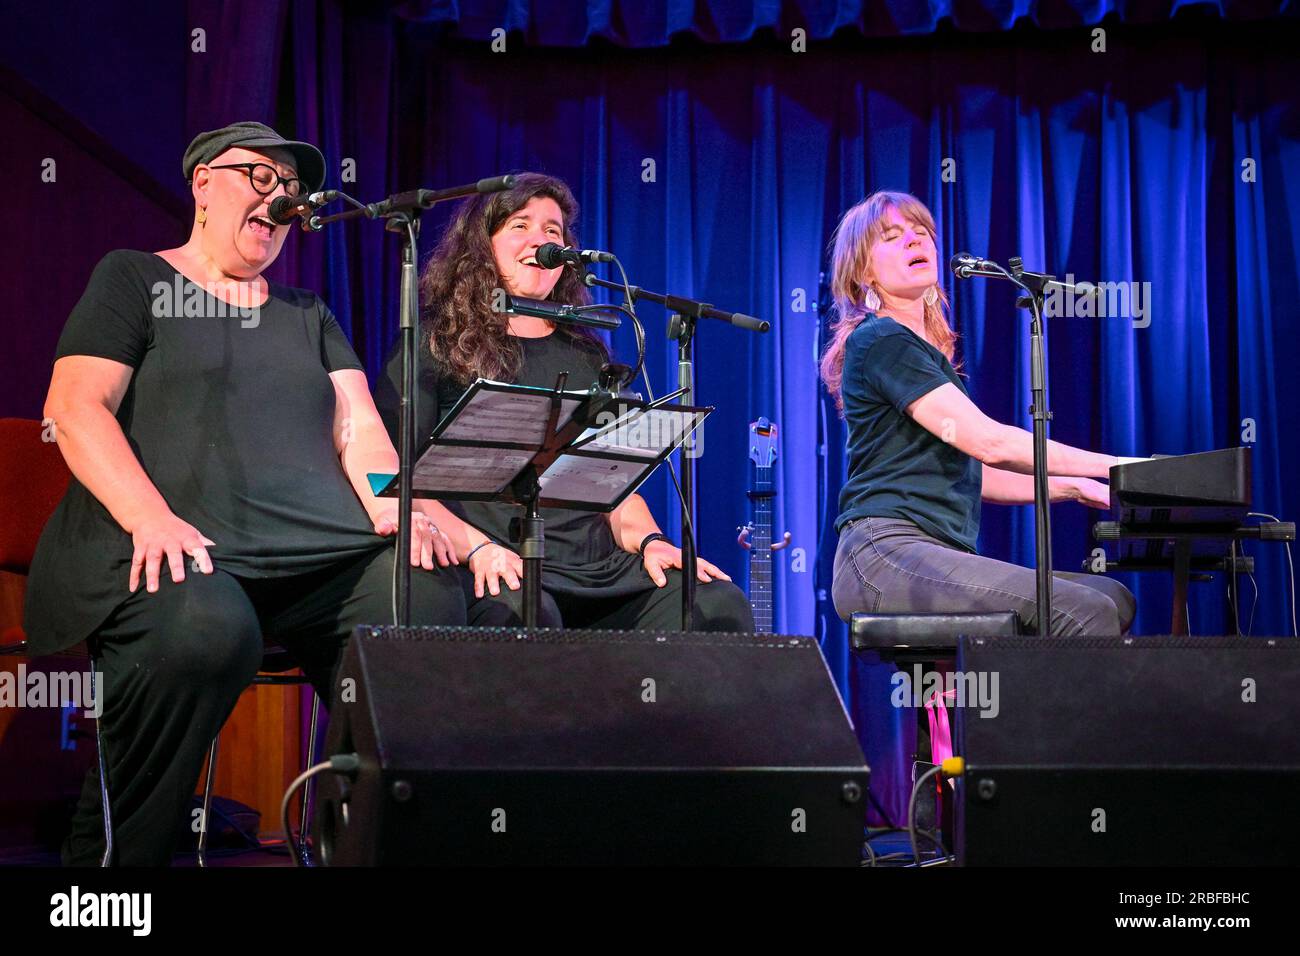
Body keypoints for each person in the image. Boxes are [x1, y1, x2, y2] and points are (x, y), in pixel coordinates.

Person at [23, 122, 466, 866]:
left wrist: (394, 503)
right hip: (178, 551)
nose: (279, 197)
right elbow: (74, 407)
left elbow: (360, 429)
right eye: (258, 178)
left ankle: (361, 843)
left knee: (420, 597)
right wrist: (149, 516)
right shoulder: (136, 279)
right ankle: (111, 871)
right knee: (206, 628)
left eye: (289, 187)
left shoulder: (307, 314)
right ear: (201, 183)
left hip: (313, 558)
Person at [374, 172, 754, 633]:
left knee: (715, 604)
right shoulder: (435, 342)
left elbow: (614, 483)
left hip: (598, 567)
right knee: (530, 616)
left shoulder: (587, 350)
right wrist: (476, 548)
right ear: (481, 244)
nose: (540, 239)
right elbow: (402, 479)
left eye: (553, 231)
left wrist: (652, 540)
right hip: (498, 559)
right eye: (520, 225)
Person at [821, 191, 1135, 636]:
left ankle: (1017, 704)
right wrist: (1119, 466)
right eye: (893, 236)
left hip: (927, 554)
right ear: (863, 272)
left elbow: (975, 473)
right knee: (1085, 610)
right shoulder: (881, 339)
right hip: (883, 554)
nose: (916, 240)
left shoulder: (924, 354)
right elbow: (988, 444)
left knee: (1112, 598)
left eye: (922, 232)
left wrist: (1077, 486)